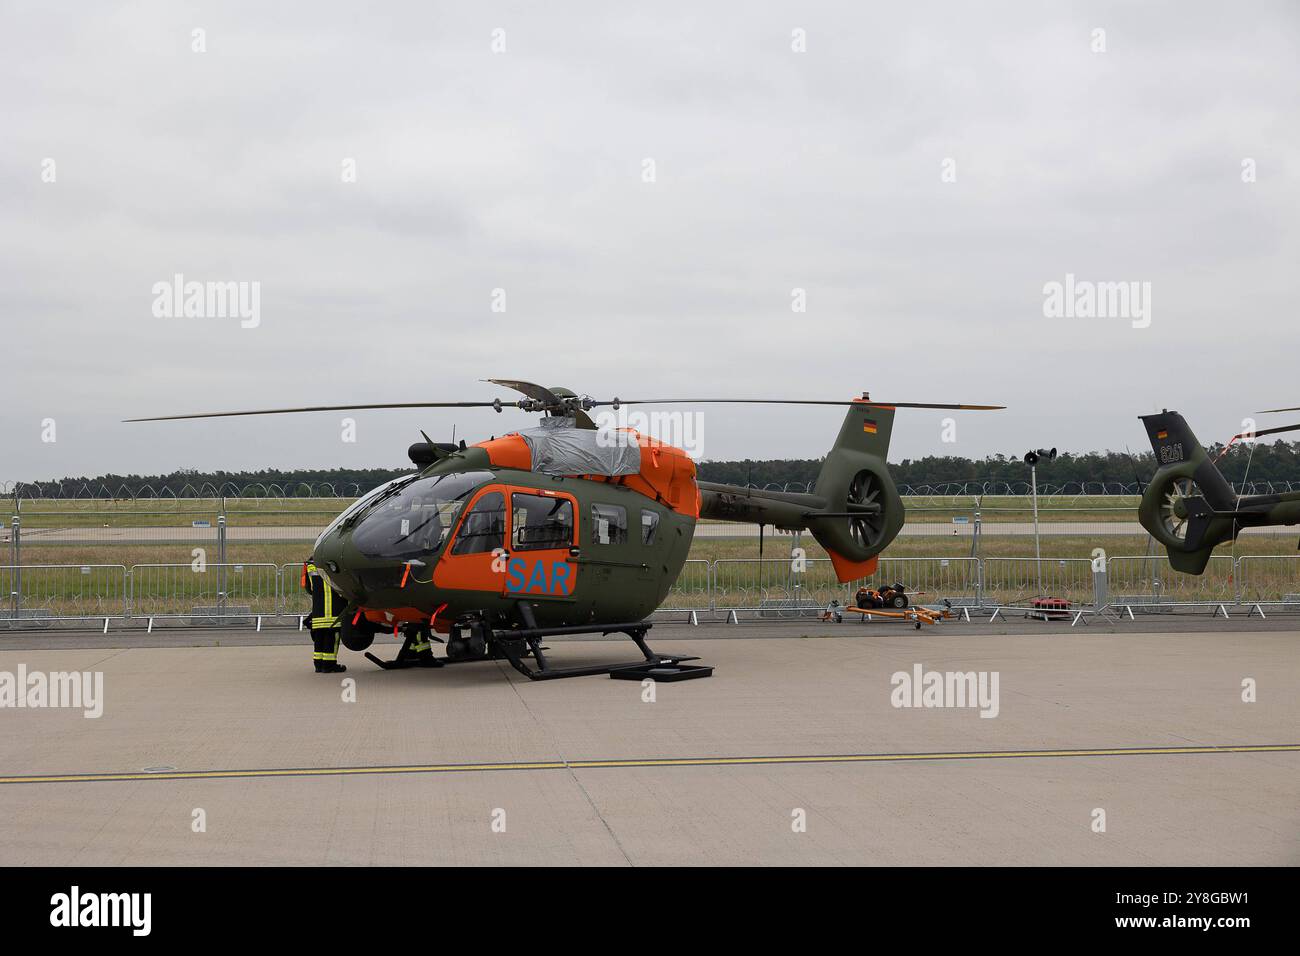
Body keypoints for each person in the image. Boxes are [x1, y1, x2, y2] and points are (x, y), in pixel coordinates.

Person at [302, 559, 346, 673]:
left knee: (319, 639)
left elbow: (308, 588)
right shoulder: (337, 562)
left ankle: (318, 665)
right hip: (334, 611)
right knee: (332, 639)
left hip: (318, 612)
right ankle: (329, 665)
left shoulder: (310, 566)